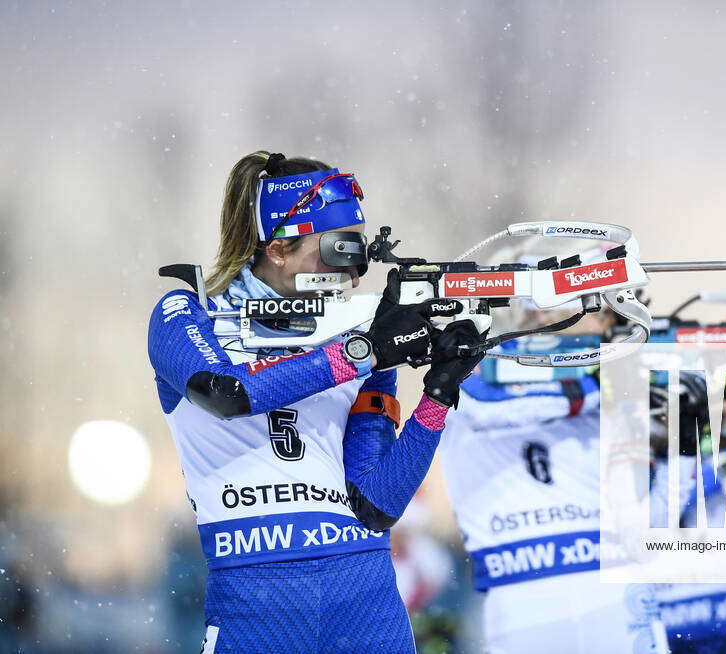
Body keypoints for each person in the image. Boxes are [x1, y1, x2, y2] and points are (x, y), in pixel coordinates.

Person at [147, 151, 483, 653]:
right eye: (337, 250)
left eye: (360, 254)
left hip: (366, 594)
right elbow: (226, 392)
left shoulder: (357, 336)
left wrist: (439, 392)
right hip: (255, 599)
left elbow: (376, 504)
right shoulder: (187, 310)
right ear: (279, 249)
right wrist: (362, 352)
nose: (352, 274)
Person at [439, 244, 726, 653]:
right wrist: (602, 378)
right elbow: (480, 404)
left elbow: (644, 532)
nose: (612, 330)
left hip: (614, 597)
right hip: (522, 604)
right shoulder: (481, 367)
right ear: (544, 311)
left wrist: (684, 440)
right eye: (603, 313)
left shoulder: (609, 400)